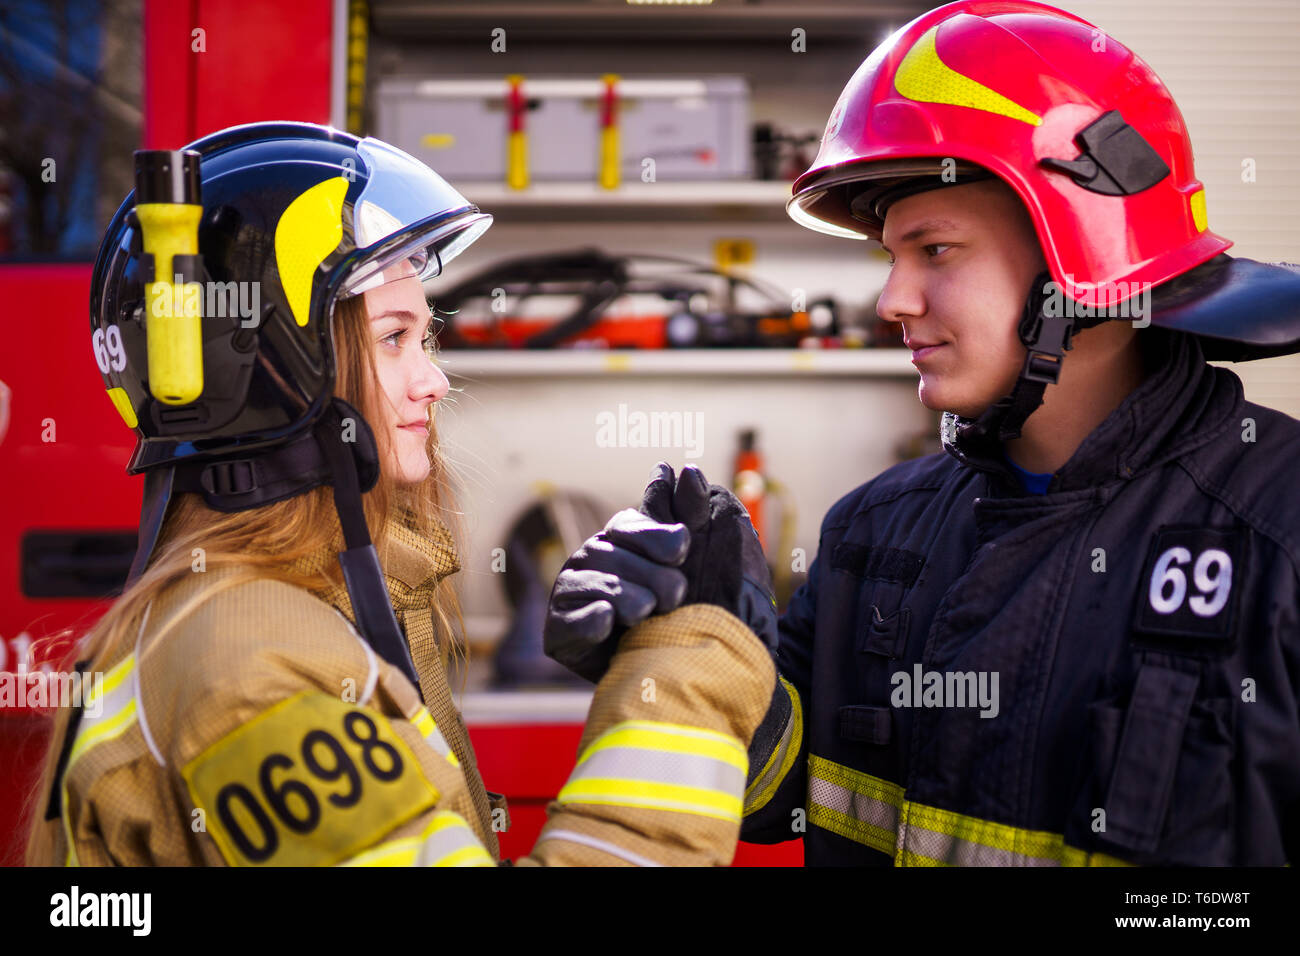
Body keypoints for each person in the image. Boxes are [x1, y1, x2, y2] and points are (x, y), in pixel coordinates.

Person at [544, 0, 1300, 866]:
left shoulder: (1279, 530)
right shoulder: (874, 529)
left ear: (1082, 257)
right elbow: (782, 803)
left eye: (935, 250)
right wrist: (690, 660)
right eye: (889, 258)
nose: (892, 301)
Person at [23, 121, 774, 867]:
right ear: (266, 379)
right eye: (393, 338)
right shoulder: (256, 672)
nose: (435, 380)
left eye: (429, 339)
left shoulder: (308, 607)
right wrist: (686, 667)